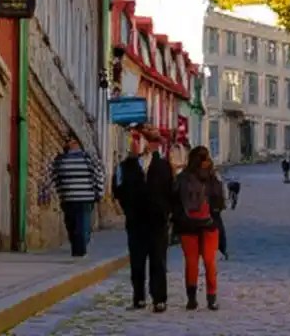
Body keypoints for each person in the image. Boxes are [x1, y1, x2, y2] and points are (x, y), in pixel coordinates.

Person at [115, 126, 174, 312]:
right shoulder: (126, 166)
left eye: (138, 140)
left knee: (158, 261)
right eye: (134, 140)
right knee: (137, 262)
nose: (134, 143)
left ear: (151, 144)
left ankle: (159, 298)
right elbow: (118, 190)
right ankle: (138, 297)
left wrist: (166, 212)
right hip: (136, 221)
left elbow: (171, 192)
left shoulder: (164, 165)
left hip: (157, 222)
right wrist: (129, 209)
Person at [174, 145, 225, 311]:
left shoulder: (182, 178)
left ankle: (192, 299)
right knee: (210, 262)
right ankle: (212, 298)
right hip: (210, 226)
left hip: (187, 225)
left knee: (191, 262)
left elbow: (174, 200)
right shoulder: (212, 178)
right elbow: (220, 203)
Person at [45, 135, 105, 257]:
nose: (68, 144)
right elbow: (52, 177)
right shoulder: (60, 159)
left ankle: (79, 251)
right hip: (68, 199)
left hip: (84, 198)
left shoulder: (88, 158)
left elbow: (98, 176)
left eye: (70, 141)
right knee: (71, 225)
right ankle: (78, 248)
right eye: (67, 141)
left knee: (81, 226)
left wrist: (99, 193)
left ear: (77, 143)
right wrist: (48, 192)